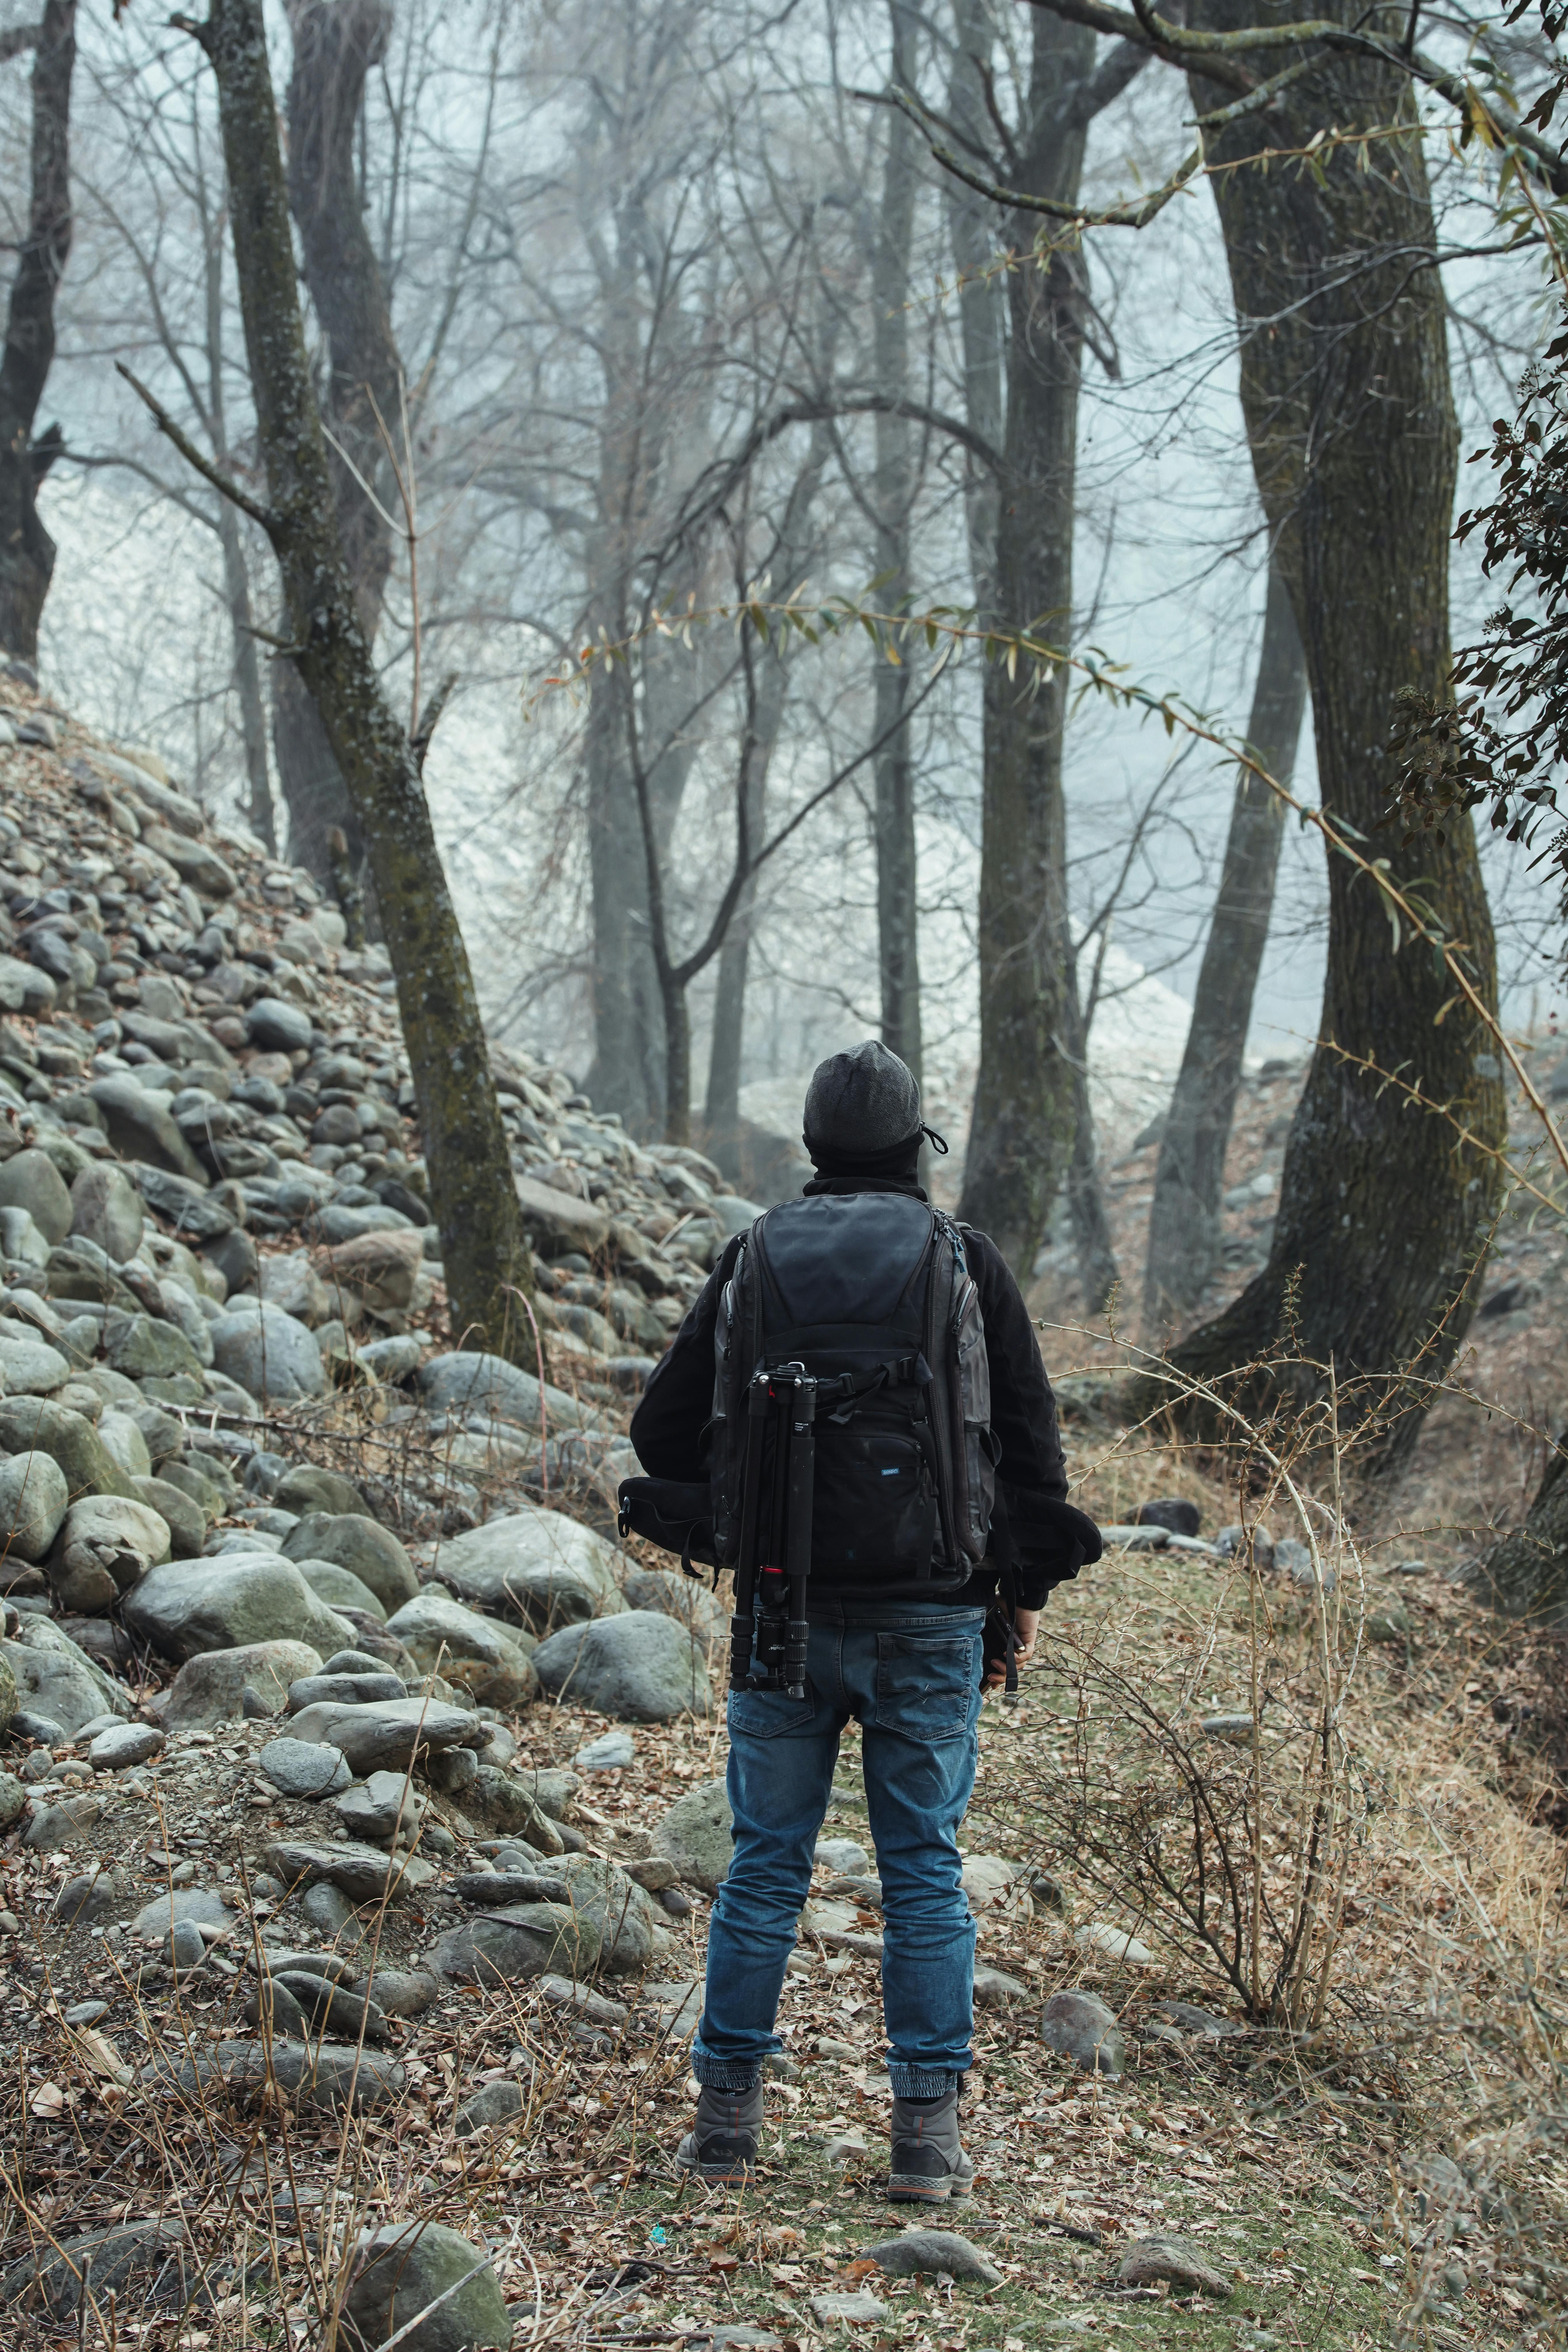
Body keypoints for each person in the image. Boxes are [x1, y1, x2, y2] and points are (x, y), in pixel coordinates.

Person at [628, 1041, 1097, 2200]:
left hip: (780, 1612)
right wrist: (1020, 1601)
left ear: (815, 1149)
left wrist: (756, 1473)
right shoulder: (962, 1259)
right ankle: (925, 2145)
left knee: (763, 1871)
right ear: (910, 1149)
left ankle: (725, 2128)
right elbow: (1032, 1455)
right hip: (934, 1616)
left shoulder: (754, 1254)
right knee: (923, 1874)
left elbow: (656, 1432)